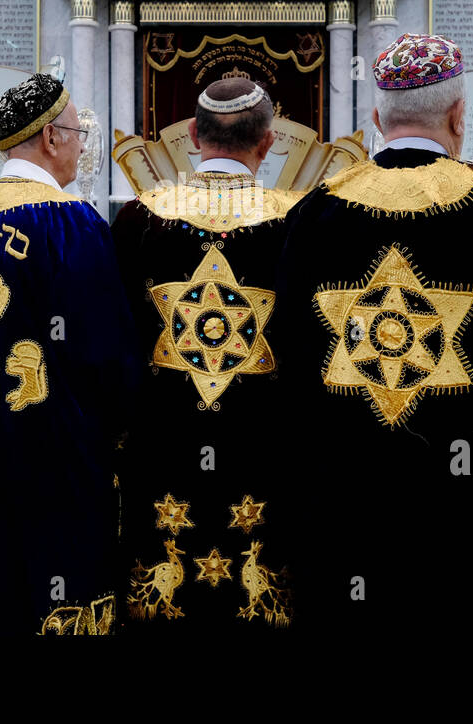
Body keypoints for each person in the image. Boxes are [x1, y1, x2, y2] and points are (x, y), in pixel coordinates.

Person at [272, 33, 473, 633]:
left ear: (378, 120)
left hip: (347, 500)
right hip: (472, 504)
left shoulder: (314, 214)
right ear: (460, 117)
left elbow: (291, 356)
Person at [0, 73, 138, 634]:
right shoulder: (72, 223)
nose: (80, 144)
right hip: (59, 451)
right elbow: (105, 353)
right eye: (76, 132)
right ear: (52, 138)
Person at [110, 78, 300, 632]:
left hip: (159, 445)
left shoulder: (137, 220)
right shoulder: (296, 223)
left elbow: (119, 342)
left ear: (193, 135)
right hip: (263, 448)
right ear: (267, 143)